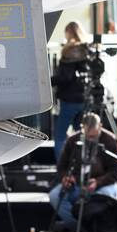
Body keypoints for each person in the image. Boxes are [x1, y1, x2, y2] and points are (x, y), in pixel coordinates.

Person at [48, 112, 117, 232]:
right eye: (87, 136)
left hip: (103, 185)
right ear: (82, 129)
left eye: (93, 136)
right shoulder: (73, 140)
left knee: (101, 199)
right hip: (78, 184)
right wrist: (65, 177)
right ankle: (81, 228)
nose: (90, 139)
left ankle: (95, 227)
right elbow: (61, 166)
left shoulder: (110, 141)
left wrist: (98, 182)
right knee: (55, 196)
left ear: (100, 127)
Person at [51, 23, 87, 160]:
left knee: (60, 135)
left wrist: (48, 81)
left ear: (68, 32)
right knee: (81, 134)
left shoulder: (69, 51)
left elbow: (65, 77)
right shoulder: (87, 49)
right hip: (85, 98)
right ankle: (81, 166)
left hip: (69, 99)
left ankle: (62, 169)